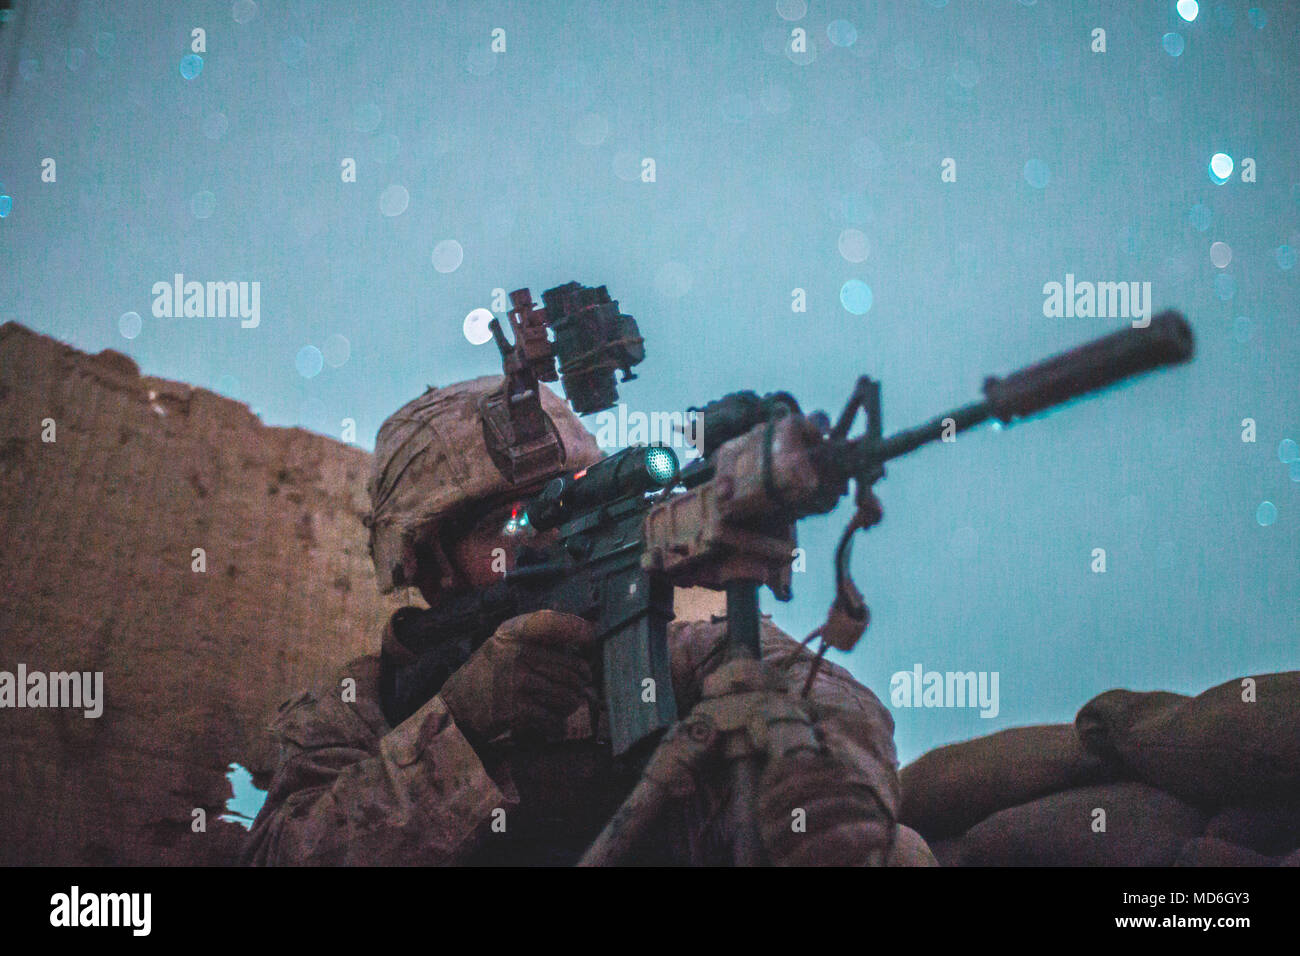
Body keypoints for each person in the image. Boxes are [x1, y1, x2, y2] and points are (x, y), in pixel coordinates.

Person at [244, 375, 926, 866]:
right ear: (430, 563)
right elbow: (281, 856)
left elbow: (819, 693)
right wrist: (461, 728)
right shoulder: (351, 710)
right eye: (512, 519)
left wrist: (826, 789)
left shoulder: (660, 642)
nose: (546, 535)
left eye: (569, 501)